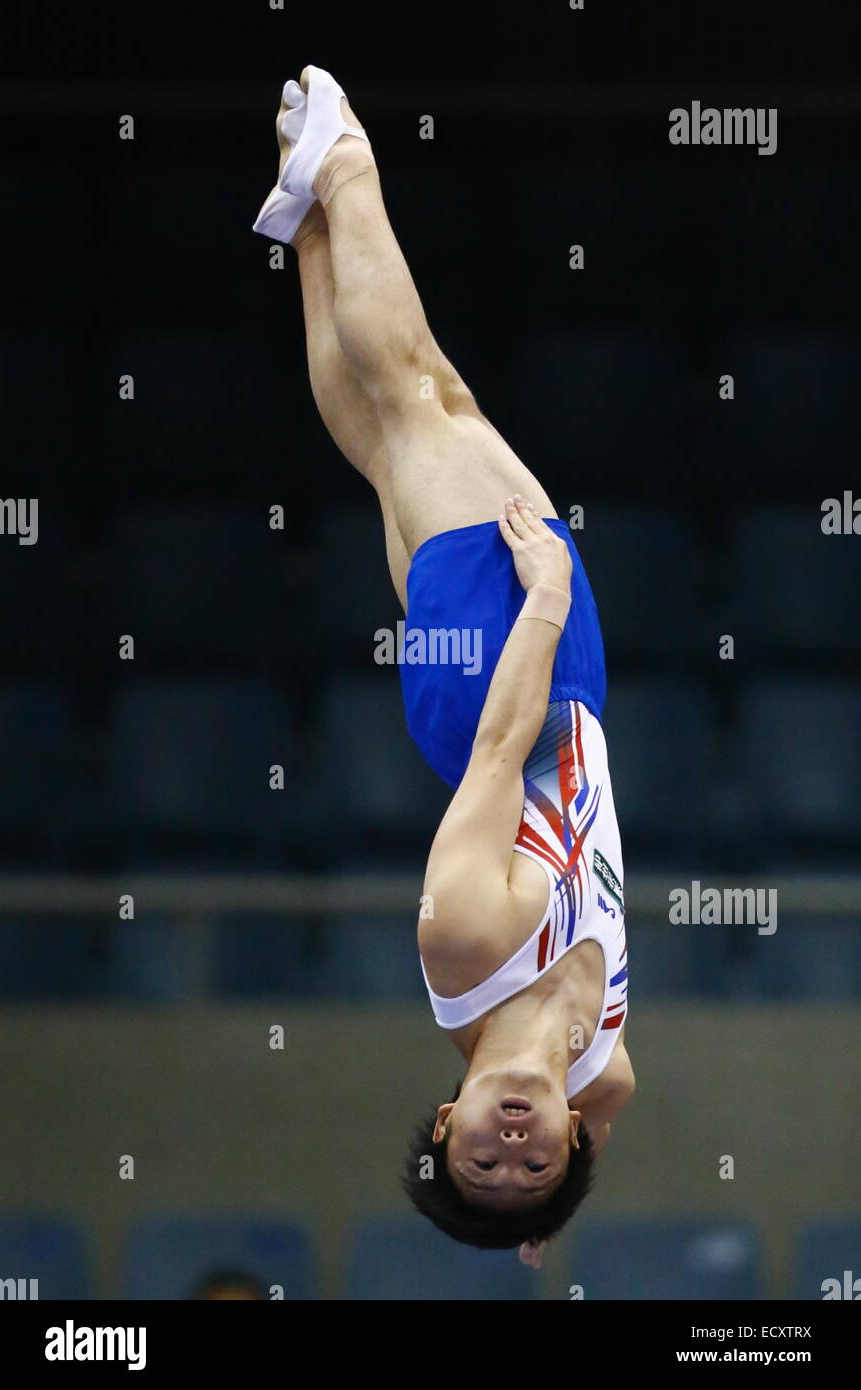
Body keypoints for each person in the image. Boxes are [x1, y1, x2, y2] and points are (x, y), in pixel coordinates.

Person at [253, 66, 634, 1266]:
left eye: (481, 1155)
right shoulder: (595, 1057)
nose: (513, 1143)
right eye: (536, 1165)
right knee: (385, 447)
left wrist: (550, 596)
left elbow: (496, 749)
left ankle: (346, 163)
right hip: (524, 679)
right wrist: (529, 1224)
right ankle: (306, 222)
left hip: (512, 684)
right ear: (575, 1139)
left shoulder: (465, 941)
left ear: (445, 1115)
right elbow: (611, 1093)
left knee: (426, 400)